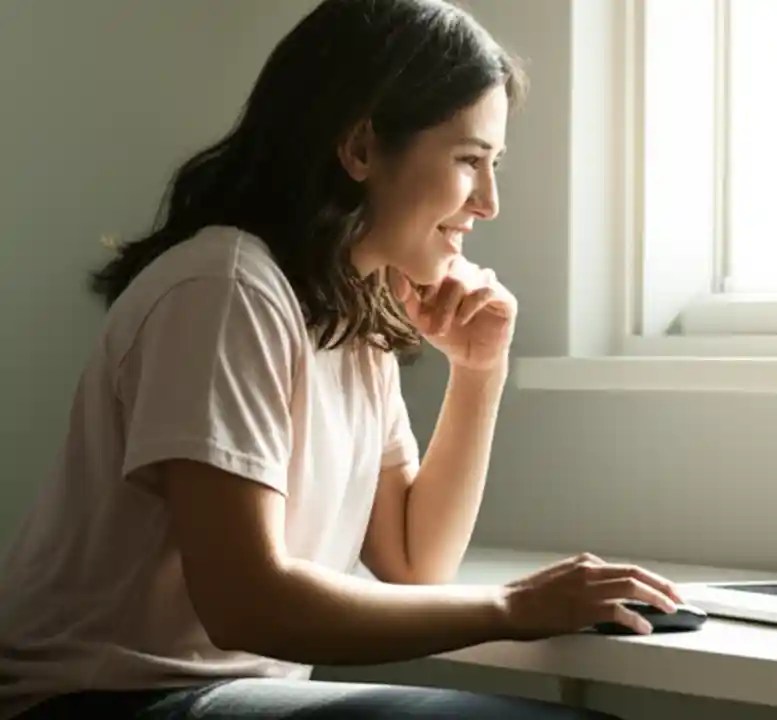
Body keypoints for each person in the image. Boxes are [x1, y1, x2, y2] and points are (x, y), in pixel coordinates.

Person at [0, 1, 683, 717]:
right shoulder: (226, 289)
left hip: (220, 694)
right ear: (360, 149)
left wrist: (479, 372)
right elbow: (247, 602)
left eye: (494, 166)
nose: (489, 202)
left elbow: (416, 565)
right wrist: (512, 605)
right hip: (98, 702)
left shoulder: (349, 321)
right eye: (468, 161)